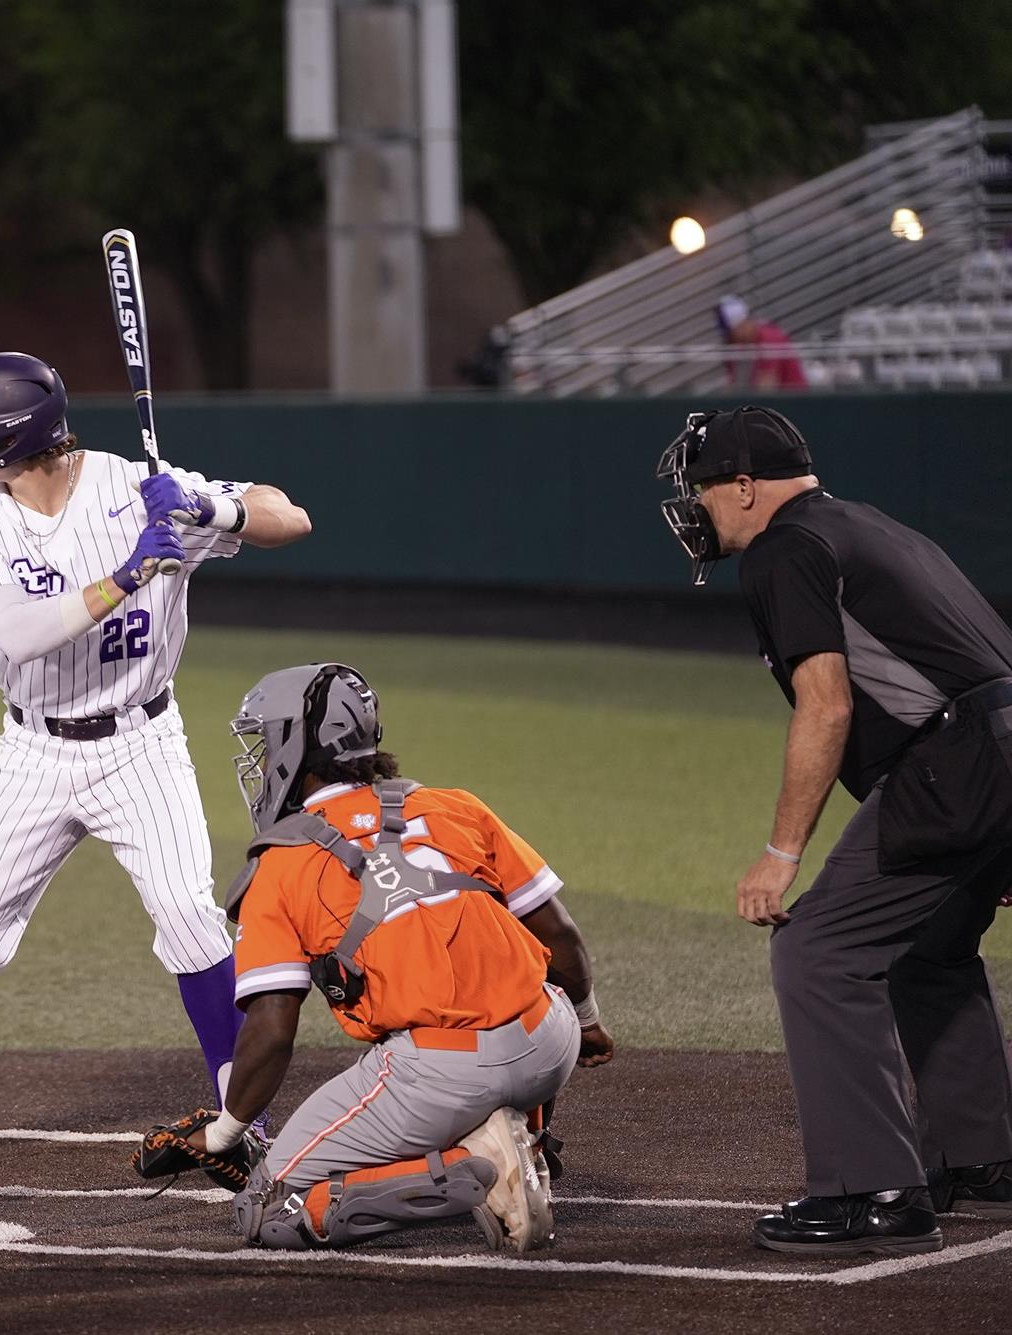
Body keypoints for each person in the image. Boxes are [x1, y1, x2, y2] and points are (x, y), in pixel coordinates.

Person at [0, 350, 313, 1168]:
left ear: (11, 439)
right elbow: (21, 631)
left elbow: (289, 517)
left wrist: (207, 507)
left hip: (142, 745)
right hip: (33, 751)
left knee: (193, 919)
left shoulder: (134, 485)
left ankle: (241, 1118)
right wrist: (126, 574)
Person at [656, 405, 1012, 1256]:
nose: (695, 509)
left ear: (744, 487)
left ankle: (869, 1192)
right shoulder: (870, 525)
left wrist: (782, 856)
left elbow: (828, 705)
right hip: (991, 752)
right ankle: (983, 1159)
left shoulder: (784, 549)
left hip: (957, 765)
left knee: (818, 951)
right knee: (928, 945)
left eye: (702, 491)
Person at [189, 662, 609, 1252]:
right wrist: (586, 1023)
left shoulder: (280, 864)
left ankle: (477, 1168)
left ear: (296, 747)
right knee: (523, 989)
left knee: (268, 1209)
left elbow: (273, 1026)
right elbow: (560, 936)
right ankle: (529, 1139)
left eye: (267, 741)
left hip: (442, 1075)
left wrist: (225, 1132)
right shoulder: (453, 806)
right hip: (551, 1042)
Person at [716, 295, 808, 390]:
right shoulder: (740, 346)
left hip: (791, 402)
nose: (731, 340)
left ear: (742, 326)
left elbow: (766, 388)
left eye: (731, 334)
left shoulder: (770, 338)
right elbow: (731, 385)